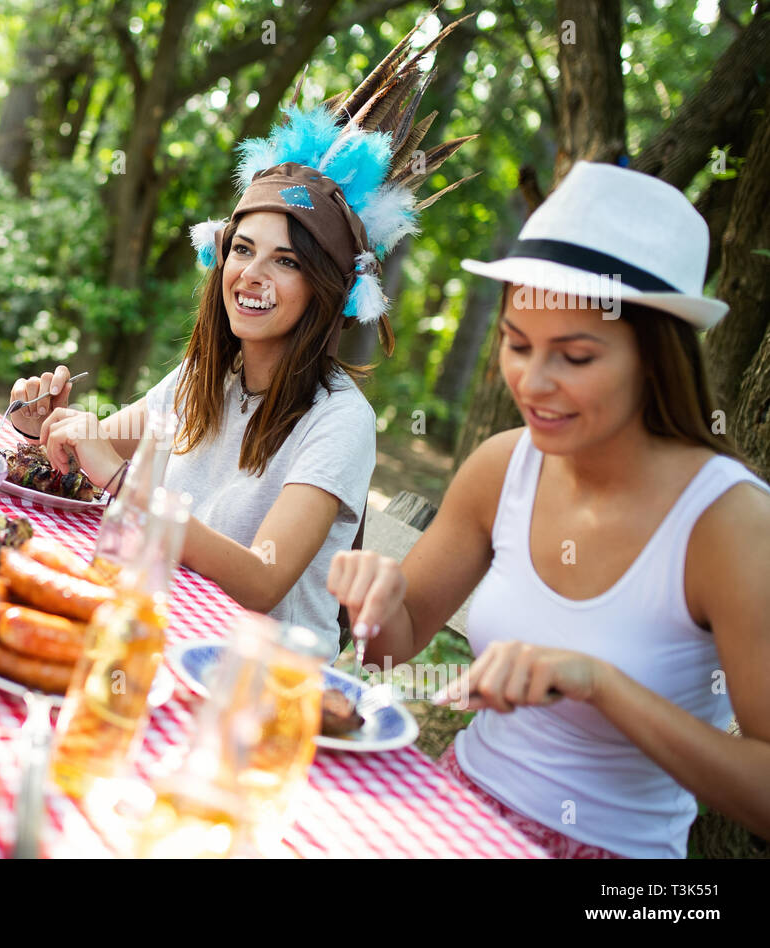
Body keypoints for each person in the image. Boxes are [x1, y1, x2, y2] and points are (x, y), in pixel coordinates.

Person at [326, 161, 770, 858]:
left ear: (656, 359)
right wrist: (372, 600)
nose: (532, 384)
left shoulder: (728, 524)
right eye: (517, 343)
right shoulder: (504, 466)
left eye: (576, 357)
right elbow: (392, 647)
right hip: (452, 810)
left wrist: (602, 686)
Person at [9, 17, 475, 643]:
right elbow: (103, 446)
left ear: (328, 289)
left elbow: (261, 579)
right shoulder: (207, 377)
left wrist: (119, 480)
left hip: (252, 678)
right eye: (242, 249)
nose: (251, 275)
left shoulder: (339, 420)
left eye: (286, 261)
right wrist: (46, 424)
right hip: (156, 626)